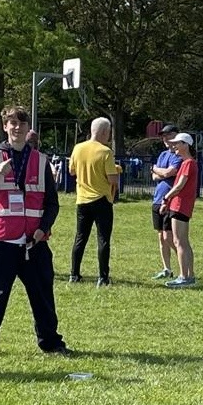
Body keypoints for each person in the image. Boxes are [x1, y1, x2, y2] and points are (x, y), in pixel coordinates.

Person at [0, 105, 69, 358]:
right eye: (12, 123)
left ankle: (51, 342)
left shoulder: (40, 160)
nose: (17, 128)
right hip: (1, 240)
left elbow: (52, 203)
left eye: (22, 123)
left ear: (29, 127)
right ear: (5, 127)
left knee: (42, 296)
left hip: (34, 242)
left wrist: (44, 228)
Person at [68, 117, 118, 286]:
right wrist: (117, 170)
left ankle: (74, 274)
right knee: (103, 238)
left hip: (82, 199)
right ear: (104, 132)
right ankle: (103, 277)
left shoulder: (78, 148)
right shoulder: (105, 152)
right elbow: (112, 179)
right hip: (102, 199)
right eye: (109, 133)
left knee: (80, 237)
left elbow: (72, 171)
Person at [161, 133, 200, 288]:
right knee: (183, 241)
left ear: (186, 145)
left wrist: (166, 198)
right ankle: (189, 275)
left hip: (180, 206)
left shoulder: (188, 163)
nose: (174, 146)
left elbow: (179, 186)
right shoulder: (187, 163)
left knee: (179, 241)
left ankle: (184, 277)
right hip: (179, 205)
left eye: (177, 143)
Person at [149, 124, 182, 280]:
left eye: (169, 135)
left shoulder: (179, 155)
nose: (165, 138)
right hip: (157, 199)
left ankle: (184, 265)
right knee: (161, 236)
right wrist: (159, 172)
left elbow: (171, 172)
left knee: (169, 237)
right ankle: (167, 268)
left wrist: (157, 170)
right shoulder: (162, 155)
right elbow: (154, 176)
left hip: (170, 199)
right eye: (163, 136)